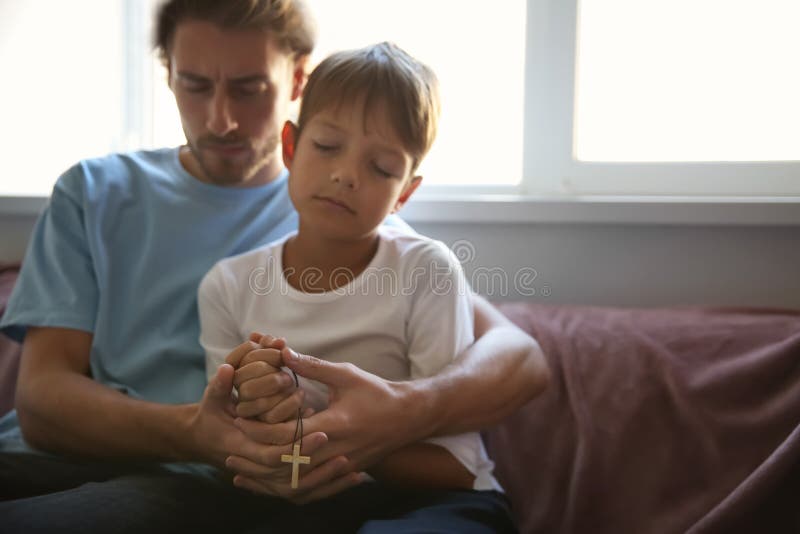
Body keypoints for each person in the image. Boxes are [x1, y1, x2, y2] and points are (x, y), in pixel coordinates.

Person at [0, 0, 549, 531]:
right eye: (195, 84)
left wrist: (398, 413)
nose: (222, 120)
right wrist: (199, 431)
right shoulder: (93, 193)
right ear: (167, 73)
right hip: (69, 461)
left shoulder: (342, 220)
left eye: (249, 88)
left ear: (297, 79)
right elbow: (42, 403)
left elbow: (519, 358)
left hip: (195, 485)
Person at [200, 42, 502, 512]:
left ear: (405, 193)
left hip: (422, 503)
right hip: (281, 504)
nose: (346, 175)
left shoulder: (426, 271)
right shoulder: (228, 286)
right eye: (326, 147)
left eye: (381, 168)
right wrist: (258, 406)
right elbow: (226, 447)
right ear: (291, 147)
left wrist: (315, 433)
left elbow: (456, 467)